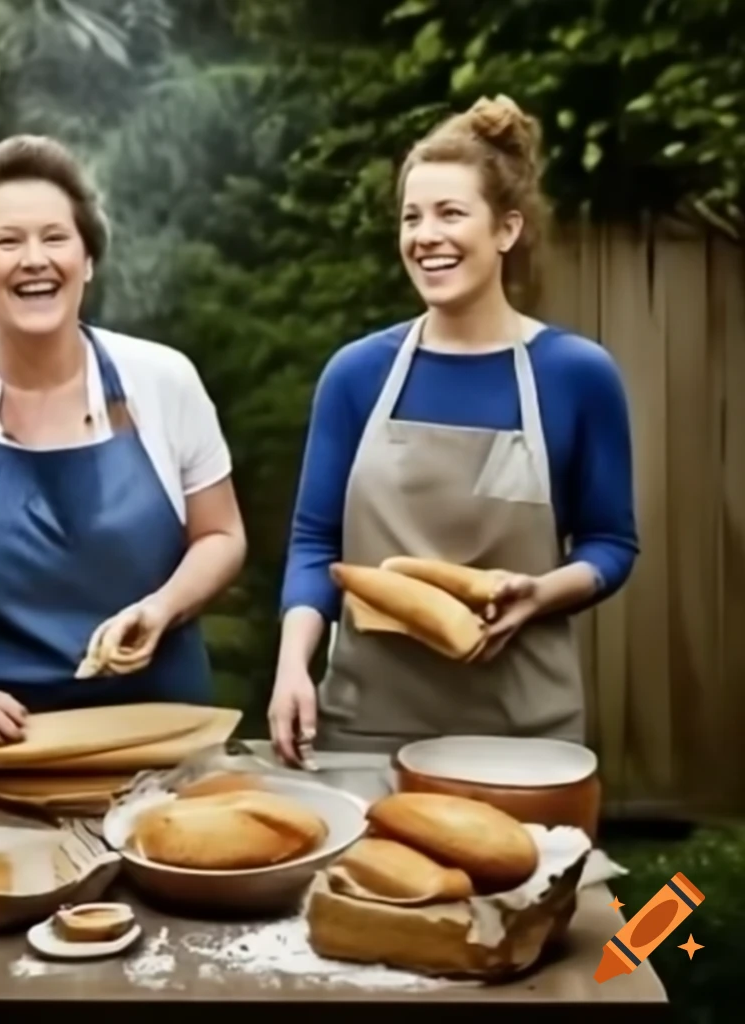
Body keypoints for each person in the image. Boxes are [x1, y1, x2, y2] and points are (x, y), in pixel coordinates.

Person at [0, 135, 247, 813]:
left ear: (86, 259)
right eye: (8, 241)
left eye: (55, 237)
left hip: (153, 746)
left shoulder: (164, 382)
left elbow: (221, 535)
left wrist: (161, 607)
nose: (34, 258)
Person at [267, 95, 639, 765]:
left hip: (525, 732)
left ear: (506, 230)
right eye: (411, 217)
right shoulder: (357, 375)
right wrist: (293, 664)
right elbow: (316, 543)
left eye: (450, 213)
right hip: (365, 729)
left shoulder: (576, 375)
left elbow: (611, 544)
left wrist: (539, 595)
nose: (426, 235)